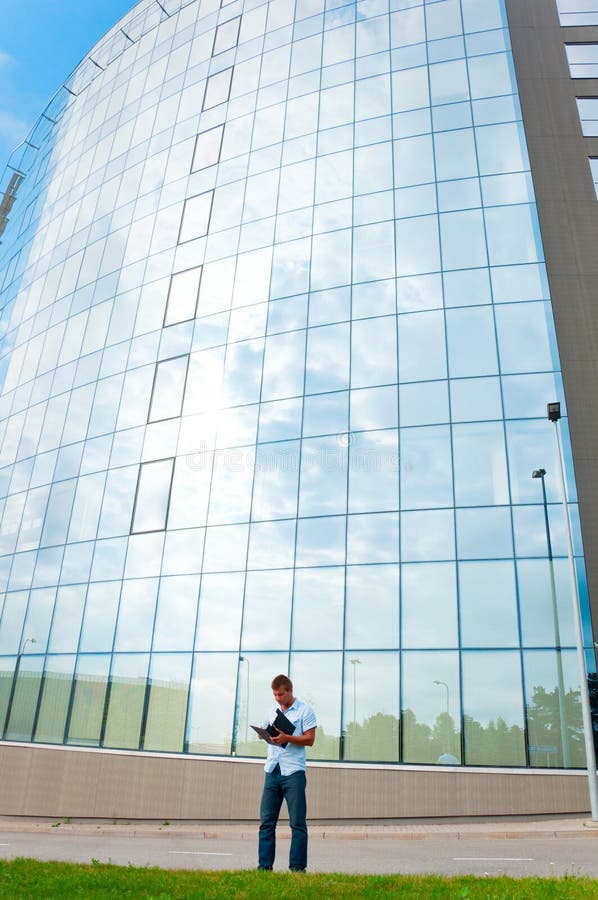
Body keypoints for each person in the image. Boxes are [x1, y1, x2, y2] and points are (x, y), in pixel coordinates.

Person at [257, 674, 317, 872]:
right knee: (266, 822)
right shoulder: (270, 711)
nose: (277, 698)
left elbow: (310, 739)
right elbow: (266, 733)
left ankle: (297, 868)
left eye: (280, 694)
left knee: (297, 823)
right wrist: (263, 734)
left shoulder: (305, 711)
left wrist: (287, 738)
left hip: (293, 773)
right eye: (274, 694)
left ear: (290, 691)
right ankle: (264, 867)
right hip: (272, 770)